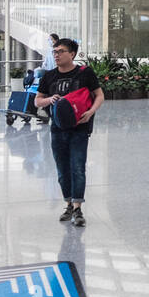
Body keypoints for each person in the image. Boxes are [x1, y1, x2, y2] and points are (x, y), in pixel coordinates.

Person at [34, 38, 104, 227]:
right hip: (57, 129)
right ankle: (68, 205)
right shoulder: (49, 76)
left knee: (78, 168)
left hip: (80, 128)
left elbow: (99, 94)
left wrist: (90, 112)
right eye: (54, 52)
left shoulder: (85, 73)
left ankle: (78, 207)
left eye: (60, 51)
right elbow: (37, 101)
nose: (56, 55)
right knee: (62, 170)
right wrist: (49, 100)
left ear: (72, 54)